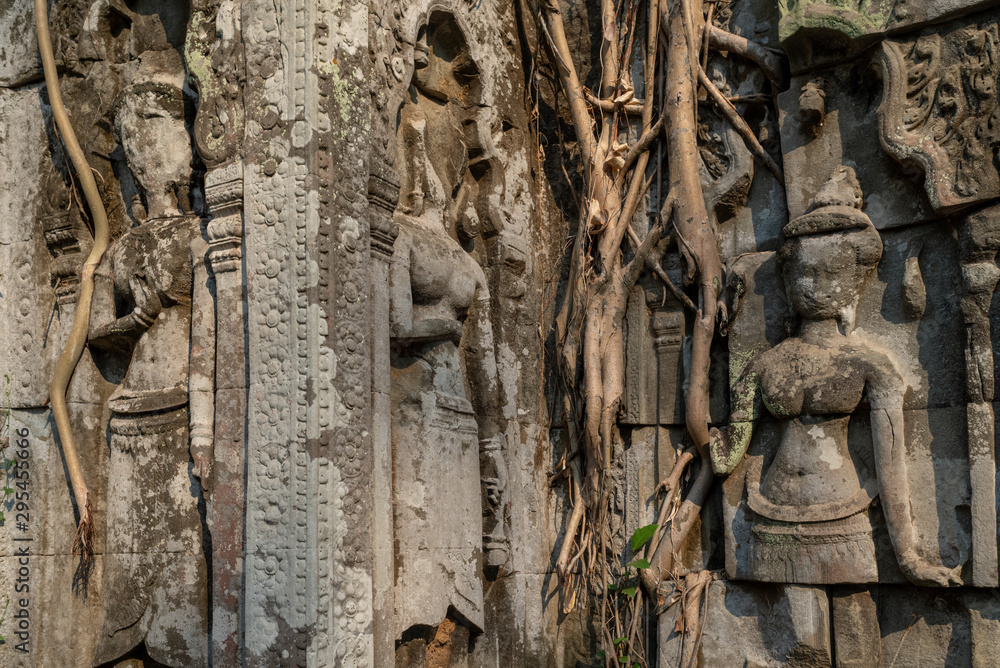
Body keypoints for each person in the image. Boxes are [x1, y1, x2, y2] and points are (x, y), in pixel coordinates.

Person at [711, 167, 961, 587]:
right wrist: (699, 406)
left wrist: (909, 557)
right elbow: (726, 457)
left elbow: (891, 465)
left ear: (856, 284)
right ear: (788, 283)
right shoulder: (766, 364)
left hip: (844, 513)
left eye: (831, 276)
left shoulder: (870, 366)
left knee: (855, 627)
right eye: (803, 275)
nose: (814, 286)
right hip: (770, 511)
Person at [88, 49, 213, 667]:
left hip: (185, 409)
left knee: (186, 570)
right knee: (129, 577)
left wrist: (208, 429)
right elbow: (97, 335)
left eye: (158, 133)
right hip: (131, 412)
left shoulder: (200, 236)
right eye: (136, 140)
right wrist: (130, 323)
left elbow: (213, 336)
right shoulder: (126, 245)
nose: (147, 153)